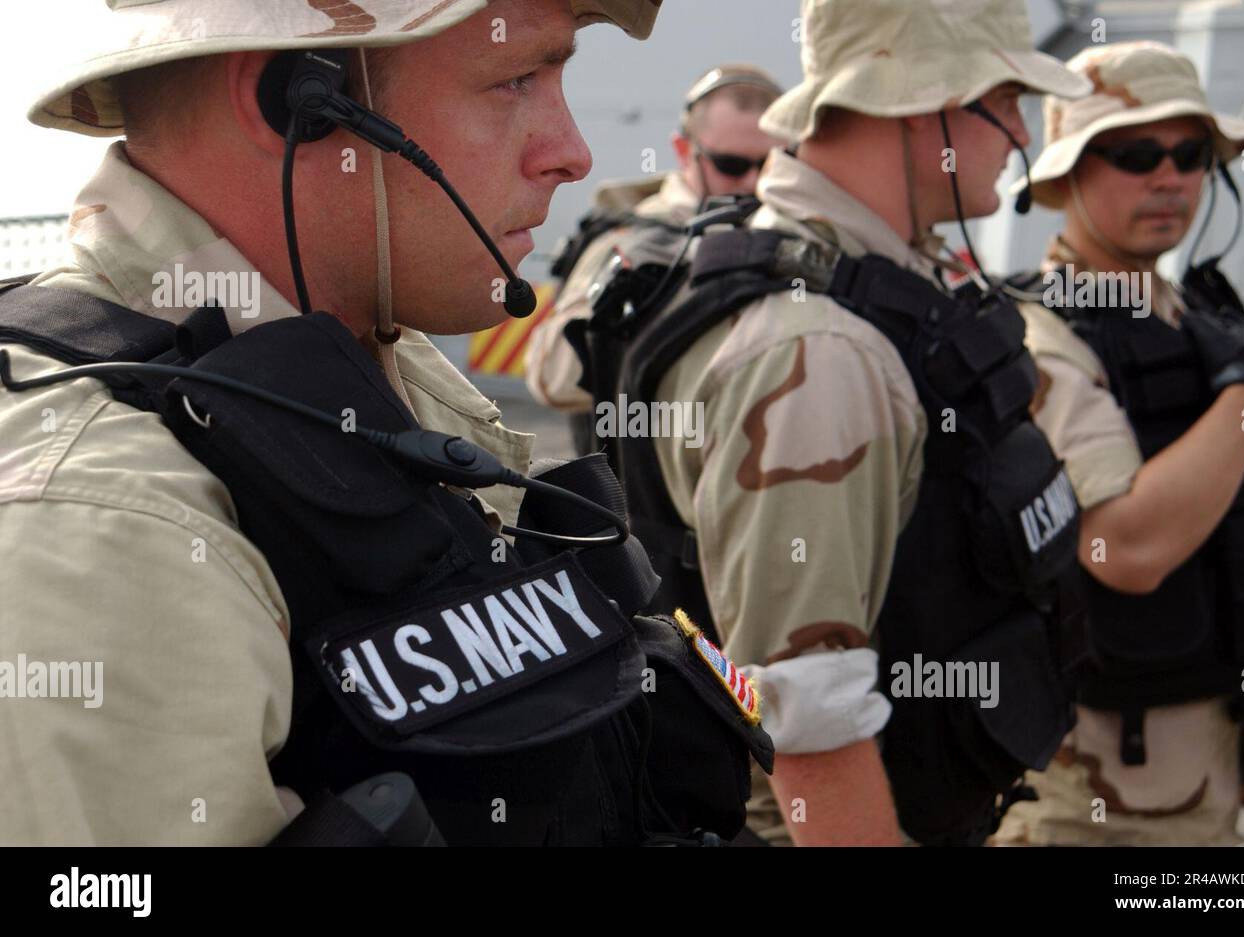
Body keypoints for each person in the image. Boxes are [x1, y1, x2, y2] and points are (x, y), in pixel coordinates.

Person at [0, 0, 774, 846]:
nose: (572, 152)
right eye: (513, 79)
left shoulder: (376, 364)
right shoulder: (106, 530)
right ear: (295, 97)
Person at [586, 0, 1094, 845]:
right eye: (1004, 101)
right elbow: (810, 731)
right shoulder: (820, 354)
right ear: (921, 102)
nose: (1021, 135)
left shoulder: (859, 280)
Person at [995, 40, 1244, 846]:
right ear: (1063, 178)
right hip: (1092, 801)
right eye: (1134, 153)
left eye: (1191, 154)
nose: (1169, 177)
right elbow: (1126, 546)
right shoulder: (1041, 338)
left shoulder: (1196, 324)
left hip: (1209, 777)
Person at [525, 63, 782, 429]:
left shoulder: (794, 228)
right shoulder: (638, 238)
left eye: (771, 164)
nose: (754, 181)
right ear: (683, 150)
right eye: (731, 164)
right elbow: (550, 378)